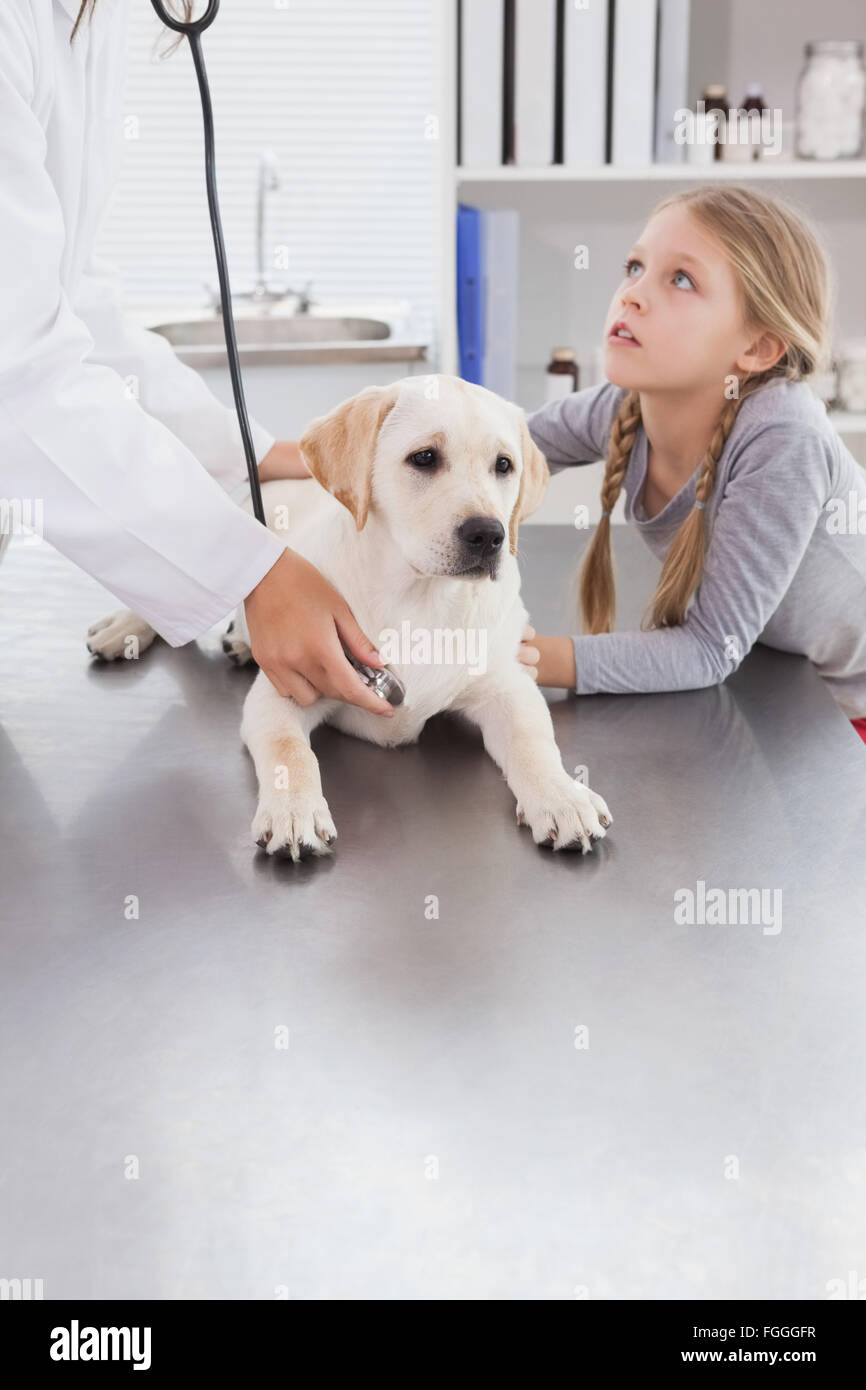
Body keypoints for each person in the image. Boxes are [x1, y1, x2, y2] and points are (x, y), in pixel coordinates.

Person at [0, 0, 395, 719]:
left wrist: (244, 452)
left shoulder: (89, 17)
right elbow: (18, 373)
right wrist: (249, 572)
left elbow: (71, 295)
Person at [514, 185, 866, 745]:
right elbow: (501, 445)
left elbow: (708, 648)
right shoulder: (622, 407)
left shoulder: (783, 438)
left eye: (681, 279)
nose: (631, 295)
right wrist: (334, 453)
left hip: (849, 707)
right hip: (783, 679)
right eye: (634, 266)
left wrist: (517, 660)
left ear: (758, 348)